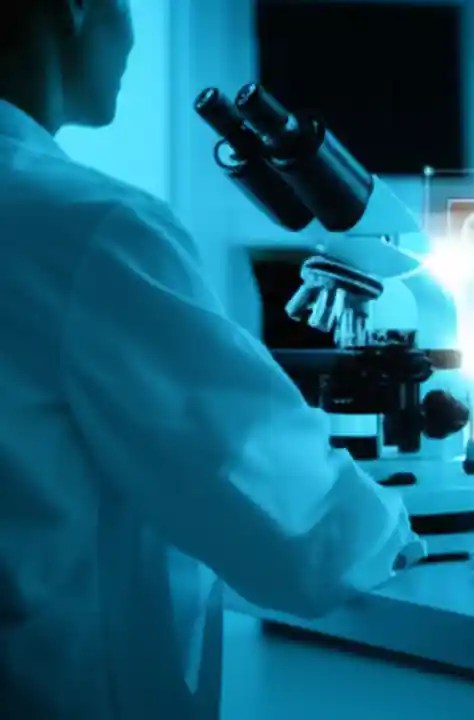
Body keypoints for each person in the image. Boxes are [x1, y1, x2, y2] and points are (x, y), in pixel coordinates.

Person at [0, 1, 429, 717]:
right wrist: (394, 525)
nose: (134, 34)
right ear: (73, 6)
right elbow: (300, 535)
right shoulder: (91, 226)